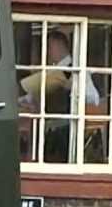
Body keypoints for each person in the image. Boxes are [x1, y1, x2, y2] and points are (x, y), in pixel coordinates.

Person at [19, 30, 104, 162]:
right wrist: (21, 101)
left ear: (58, 45)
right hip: (50, 132)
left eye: (49, 46)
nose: (47, 51)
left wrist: (73, 88)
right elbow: (32, 94)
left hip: (66, 132)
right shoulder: (52, 72)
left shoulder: (75, 69)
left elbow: (94, 98)